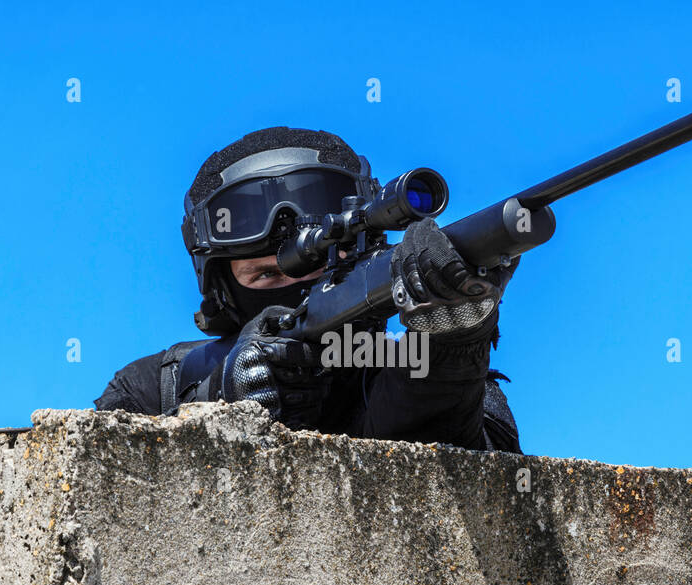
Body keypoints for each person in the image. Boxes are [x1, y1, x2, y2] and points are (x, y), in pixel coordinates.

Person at [94, 126, 521, 452]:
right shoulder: (152, 389)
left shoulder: (436, 374)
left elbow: (482, 476)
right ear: (222, 287)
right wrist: (221, 405)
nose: (298, 288)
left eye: (319, 269)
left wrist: (455, 341)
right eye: (265, 276)